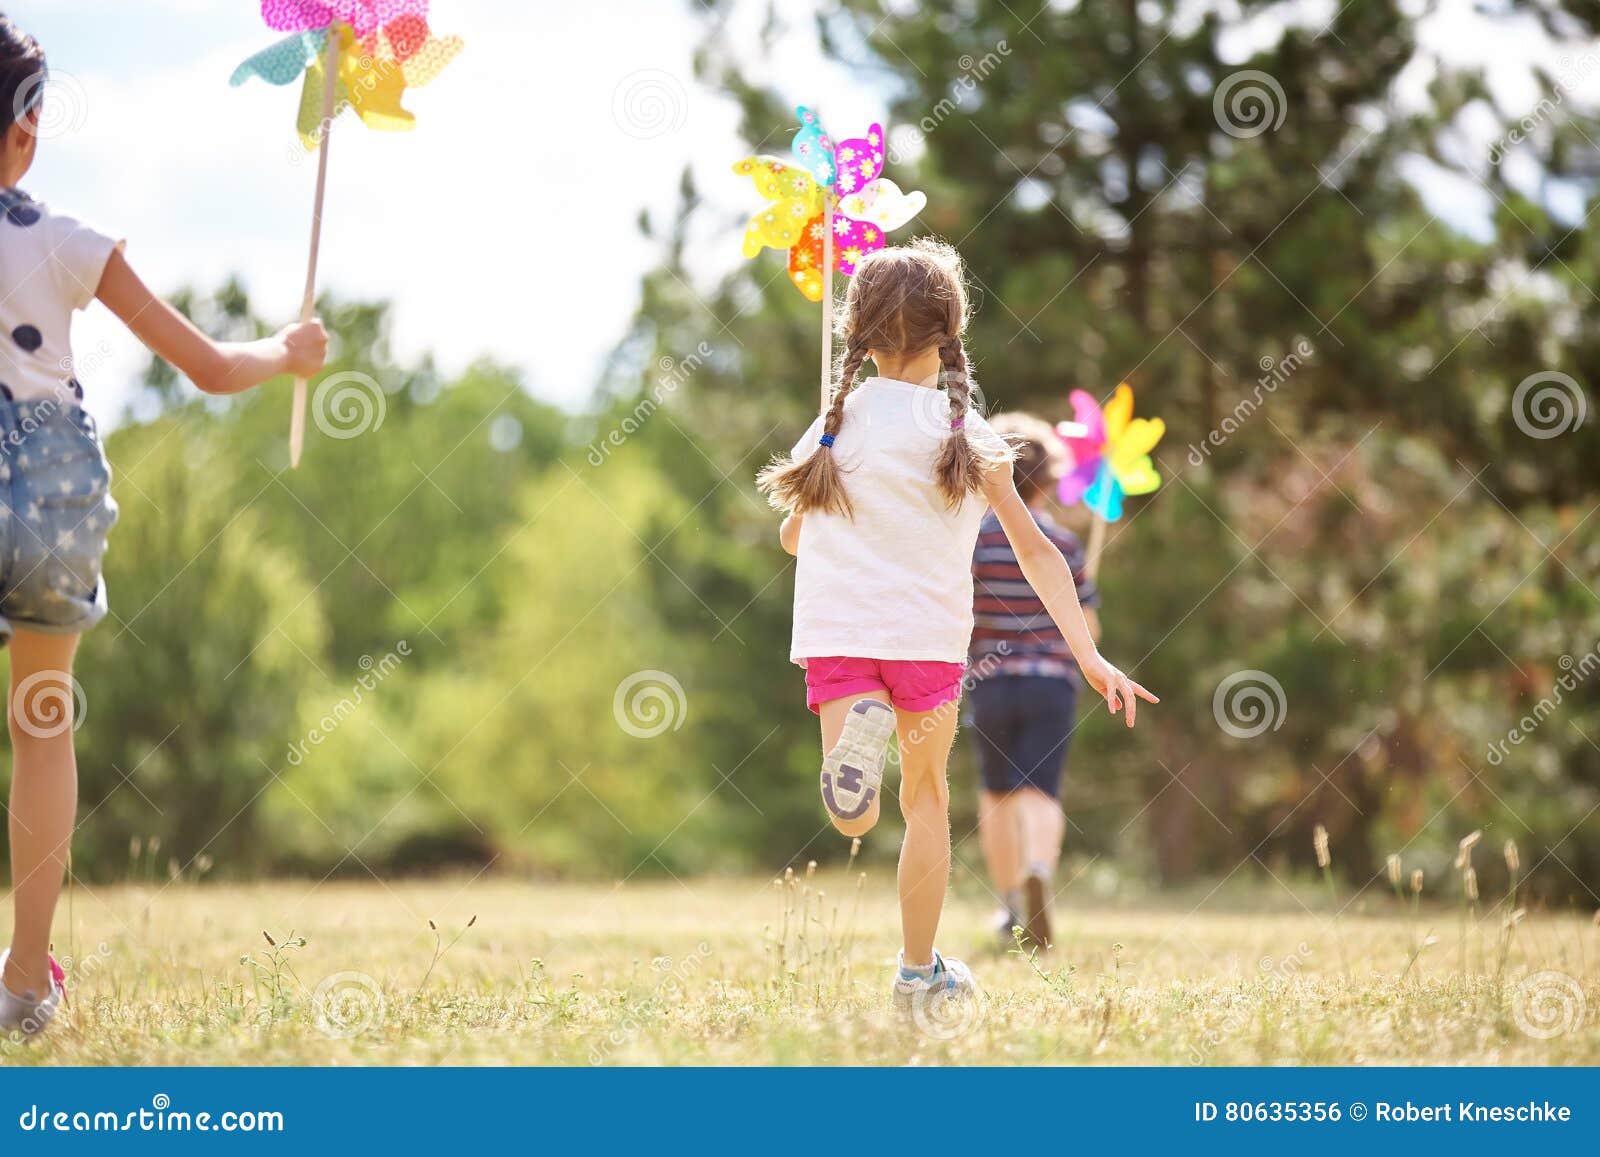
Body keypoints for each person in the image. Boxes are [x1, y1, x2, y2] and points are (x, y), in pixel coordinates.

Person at [0, 14, 328, 1039]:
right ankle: (23, 981)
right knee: (40, 723)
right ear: (26, 126)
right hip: (49, 494)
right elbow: (212, 368)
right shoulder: (67, 241)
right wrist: (288, 351)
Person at [759, 238, 1155, 1012]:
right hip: (927, 643)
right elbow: (1038, 553)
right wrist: (1089, 654)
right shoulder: (968, 433)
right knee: (927, 801)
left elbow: (791, 536)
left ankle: (853, 771)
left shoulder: (836, 423)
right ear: (949, 332)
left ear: (857, 331)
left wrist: (822, 518)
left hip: (840, 633)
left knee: (854, 815)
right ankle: (917, 973)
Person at [968, 412, 1099, 952]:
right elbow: (1087, 627)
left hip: (990, 682)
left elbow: (960, 613)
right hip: (1051, 684)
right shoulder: (1063, 544)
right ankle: (1039, 868)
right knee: (1040, 789)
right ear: (1047, 481)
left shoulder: (974, 541)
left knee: (997, 793)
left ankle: (1010, 907)